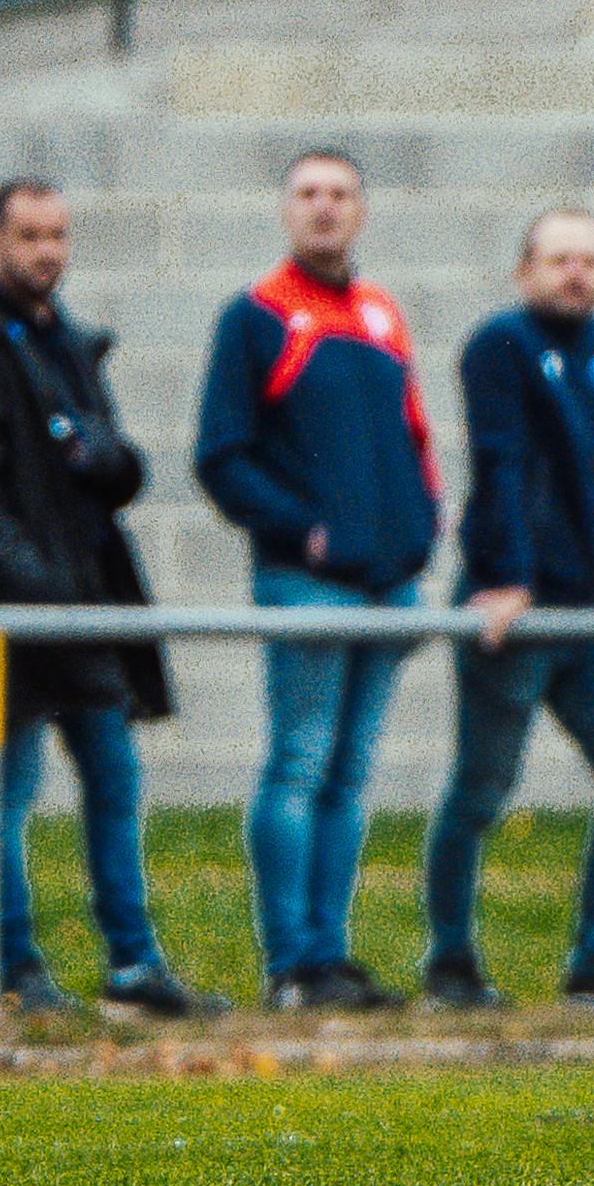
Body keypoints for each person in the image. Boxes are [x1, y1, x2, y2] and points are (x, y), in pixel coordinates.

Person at [0, 178, 200, 1019]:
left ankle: (134, 966)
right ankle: (14, 966)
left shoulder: (69, 344)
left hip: (86, 612)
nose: (47, 252)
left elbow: (116, 469)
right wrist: (43, 600)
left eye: (59, 236)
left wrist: (108, 458)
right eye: (31, 235)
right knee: (7, 796)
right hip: (11, 622)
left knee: (114, 782)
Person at [420, 206, 594, 1009]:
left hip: (590, 617)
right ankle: (450, 964)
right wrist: (507, 578)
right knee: (481, 791)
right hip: (514, 615)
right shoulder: (496, 347)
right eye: (559, 260)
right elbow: (500, 464)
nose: (576, 273)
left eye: (589, 260)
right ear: (525, 271)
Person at [194, 149, 441, 1015]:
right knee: (299, 762)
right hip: (308, 584)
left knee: (349, 772)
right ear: (286, 210)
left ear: (361, 210)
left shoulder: (379, 314)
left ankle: (331, 956)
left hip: (388, 587)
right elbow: (220, 456)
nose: (325, 209)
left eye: (340, 194)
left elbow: (415, 439)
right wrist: (307, 529)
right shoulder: (257, 317)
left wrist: (419, 532)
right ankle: (291, 961)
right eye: (308, 194)